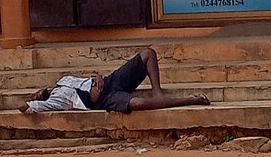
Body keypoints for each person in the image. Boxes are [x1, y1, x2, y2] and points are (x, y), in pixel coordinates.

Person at [18, 47, 209, 114]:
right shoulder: (53, 102)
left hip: (110, 81)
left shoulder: (63, 80)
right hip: (105, 99)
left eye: (36, 91)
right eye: (35, 96)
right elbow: (23, 107)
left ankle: (158, 93)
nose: (38, 92)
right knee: (139, 103)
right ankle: (190, 100)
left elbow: (88, 79)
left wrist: (97, 78)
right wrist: (30, 100)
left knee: (148, 54)